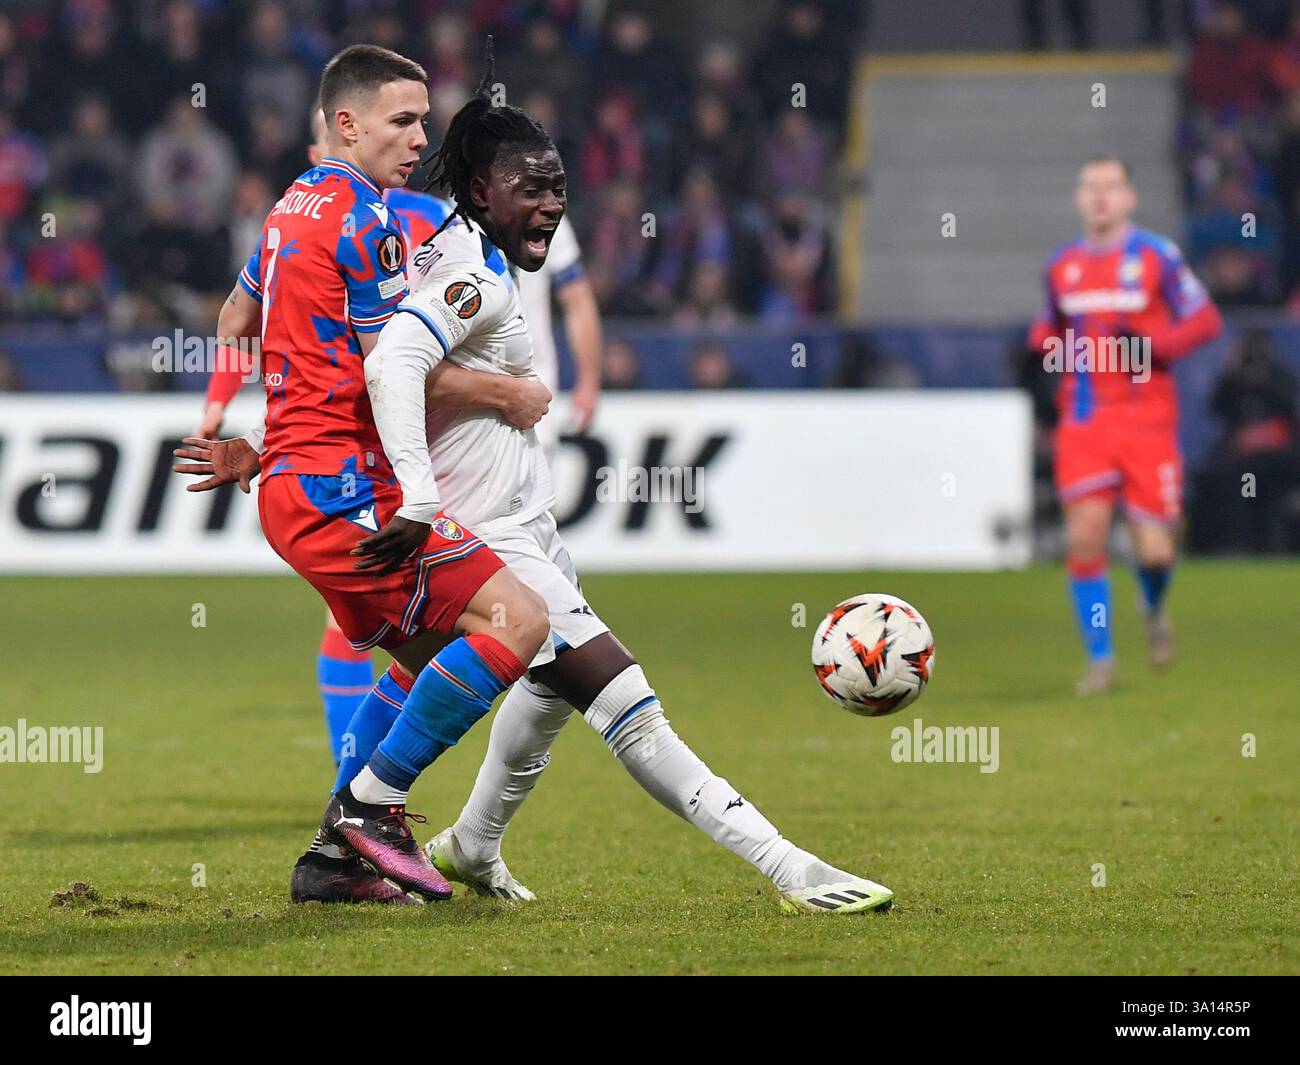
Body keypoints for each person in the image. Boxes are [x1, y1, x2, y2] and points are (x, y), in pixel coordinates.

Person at [355, 66, 894, 915]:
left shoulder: (475, 255)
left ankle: (469, 843)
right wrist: (424, 488)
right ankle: (795, 870)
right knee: (626, 703)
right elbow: (391, 362)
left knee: (545, 687)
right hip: (485, 537)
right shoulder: (466, 273)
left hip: (521, 521)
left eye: (557, 187)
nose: (549, 204)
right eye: (528, 188)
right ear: (476, 190)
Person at [173, 44, 553, 903]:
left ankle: (330, 863)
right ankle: (369, 809)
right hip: (344, 493)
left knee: (430, 650)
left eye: (424, 119)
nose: (421, 137)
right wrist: (491, 406)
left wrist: (250, 425)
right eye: (403, 120)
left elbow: (238, 314)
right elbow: (392, 370)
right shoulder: (370, 221)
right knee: (518, 623)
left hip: (295, 485)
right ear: (347, 123)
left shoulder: (287, 206)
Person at [1028, 156, 1223, 694]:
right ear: (1078, 197)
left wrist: (1151, 346)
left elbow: (1206, 320)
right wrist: (1056, 351)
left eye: (1111, 186)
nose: (1099, 195)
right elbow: (1046, 331)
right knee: (1086, 539)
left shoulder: (1156, 257)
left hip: (1147, 423)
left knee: (1156, 550)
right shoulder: (1061, 265)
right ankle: (1101, 659)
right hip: (1085, 422)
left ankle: (1154, 606)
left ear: (1129, 197)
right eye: (1090, 185)